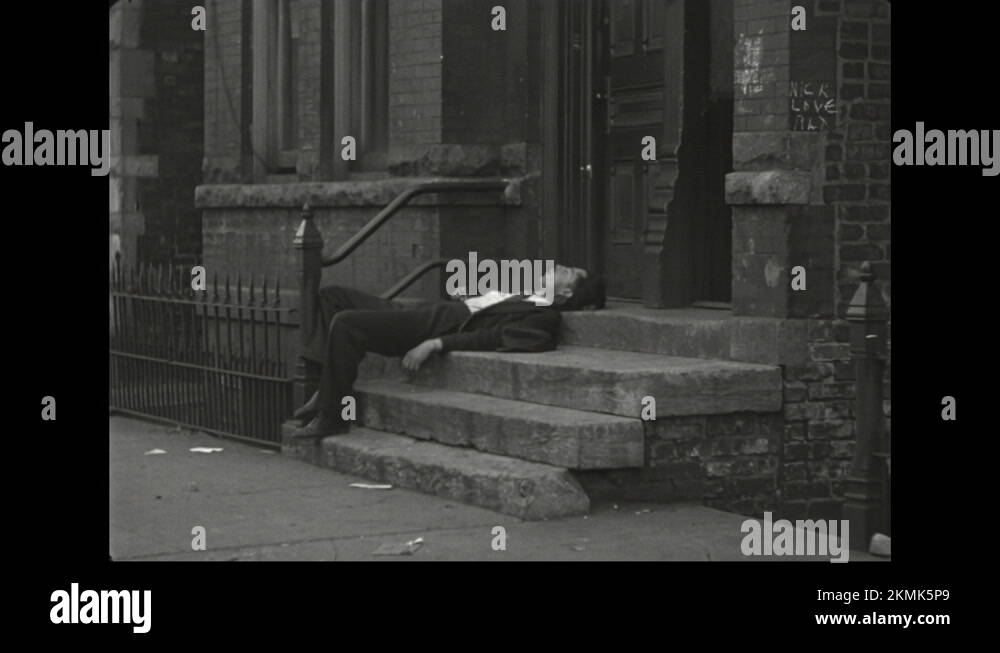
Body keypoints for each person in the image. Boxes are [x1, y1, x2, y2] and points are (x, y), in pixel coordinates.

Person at [290, 264, 606, 438]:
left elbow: (492, 337)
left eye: (566, 271)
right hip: (430, 313)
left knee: (346, 324)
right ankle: (325, 388)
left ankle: (333, 417)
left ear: (566, 292)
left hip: (428, 328)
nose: (556, 267)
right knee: (331, 296)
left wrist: (436, 343)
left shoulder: (543, 317)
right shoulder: (526, 296)